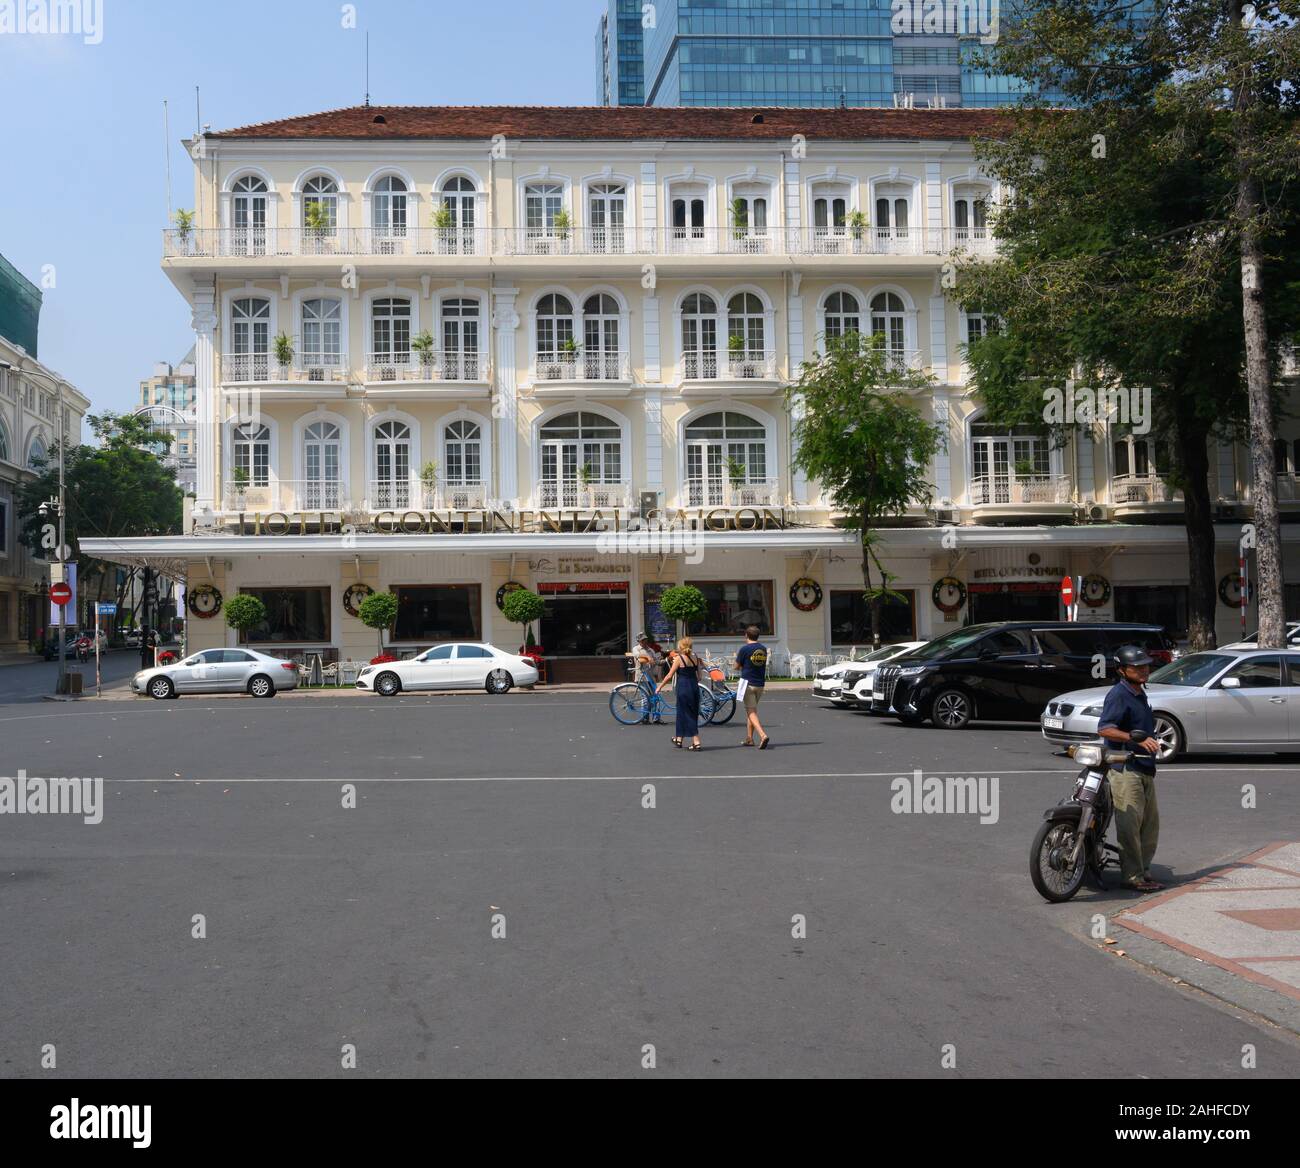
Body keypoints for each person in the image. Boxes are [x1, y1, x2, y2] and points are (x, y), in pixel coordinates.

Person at [1097, 644, 1163, 892]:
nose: (1144, 670)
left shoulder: (1139, 692)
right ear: (1122, 670)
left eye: (1145, 665)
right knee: (1129, 825)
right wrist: (1134, 739)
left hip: (1145, 767)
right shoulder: (1119, 694)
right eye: (1137, 667)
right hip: (1126, 768)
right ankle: (1133, 876)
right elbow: (1104, 729)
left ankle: (1144, 872)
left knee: (1149, 825)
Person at [659, 636, 702, 750]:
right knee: (689, 712)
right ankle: (679, 739)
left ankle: (696, 741)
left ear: (680, 647)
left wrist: (659, 687)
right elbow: (700, 677)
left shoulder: (679, 659)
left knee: (686, 713)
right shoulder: (696, 657)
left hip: (683, 687)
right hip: (694, 687)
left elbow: (669, 675)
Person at [735, 625, 770, 749]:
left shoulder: (745, 649)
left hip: (747, 683)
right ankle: (749, 739)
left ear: (746, 635)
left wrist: (740, 665)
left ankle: (762, 735)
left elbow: (736, 666)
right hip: (760, 683)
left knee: (751, 711)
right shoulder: (763, 649)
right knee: (752, 711)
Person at [631, 633, 664, 724]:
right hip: (641, 677)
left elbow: (656, 661)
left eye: (645, 640)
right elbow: (638, 657)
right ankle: (644, 718)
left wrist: (665, 660)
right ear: (639, 641)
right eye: (642, 640)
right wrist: (648, 658)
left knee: (656, 697)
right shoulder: (636, 649)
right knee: (645, 698)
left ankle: (656, 718)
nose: (645, 642)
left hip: (651, 677)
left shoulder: (651, 650)